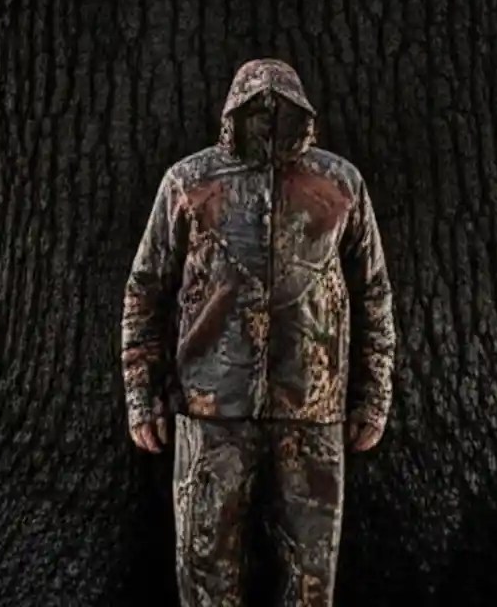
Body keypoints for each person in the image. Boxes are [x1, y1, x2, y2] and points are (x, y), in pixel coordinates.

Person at [119, 57, 397, 606]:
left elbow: (374, 294)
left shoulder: (340, 184)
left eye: (282, 109)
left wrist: (375, 396)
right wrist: (140, 395)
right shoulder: (189, 183)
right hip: (211, 412)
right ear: (232, 112)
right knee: (203, 576)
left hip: (313, 413)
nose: (268, 117)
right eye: (255, 109)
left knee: (312, 581)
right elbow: (144, 289)